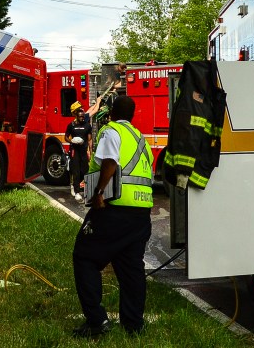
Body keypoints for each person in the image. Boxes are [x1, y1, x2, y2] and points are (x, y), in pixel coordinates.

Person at [72, 95, 154, 337]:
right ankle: (133, 325)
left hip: (114, 208)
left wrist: (98, 193)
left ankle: (97, 322)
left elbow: (109, 162)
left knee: (84, 257)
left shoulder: (111, 131)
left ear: (112, 113)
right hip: (141, 213)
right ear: (132, 115)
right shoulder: (141, 139)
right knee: (131, 269)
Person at [65, 102, 94, 202]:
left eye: (83, 117)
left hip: (83, 151)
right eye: (80, 117)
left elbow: (90, 139)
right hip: (74, 151)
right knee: (75, 171)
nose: (82, 118)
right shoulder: (71, 126)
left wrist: (90, 151)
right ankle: (77, 191)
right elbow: (66, 137)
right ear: (77, 116)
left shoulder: (87, 126)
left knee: (85, 170)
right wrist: (71, 141)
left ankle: (85, 189)